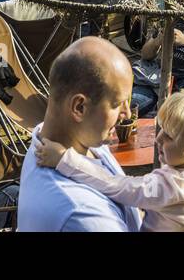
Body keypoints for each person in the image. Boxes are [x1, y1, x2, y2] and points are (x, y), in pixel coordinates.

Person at [35, 88, 184, 232]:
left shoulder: (173, 185)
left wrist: (64, 159)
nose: (158, 138)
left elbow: (118, 186)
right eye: (161, 129)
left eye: (169, 136)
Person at [18, 37, 143, 232]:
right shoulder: (85, 217)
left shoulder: (48, 139)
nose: (127, 114)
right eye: (117, 104)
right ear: (79, 107)